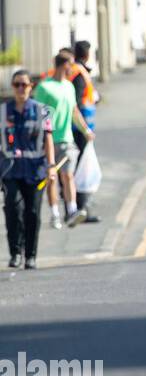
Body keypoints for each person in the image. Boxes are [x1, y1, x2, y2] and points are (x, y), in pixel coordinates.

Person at [2, 69, 55, 268]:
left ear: (31, 86)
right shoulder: (3, 111)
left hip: (35, 170)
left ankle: (31, 255)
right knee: (13, 210)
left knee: (32, 213)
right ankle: (15, 252)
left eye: (24, 84)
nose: (21, 89)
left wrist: (51, 166)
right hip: (10, 170)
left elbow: (48, 139)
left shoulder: (44, 110)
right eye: (17, 85)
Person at [34, 54, 93, 229]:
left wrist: (86, 130)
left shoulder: (69, 86)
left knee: (68, 175)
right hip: (49, 140)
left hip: (67, 139)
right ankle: (54, 214)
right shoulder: (44, 88)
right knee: (52, 178)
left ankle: (72, 210)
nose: (73, 69)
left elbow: (74, 111)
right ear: (63, 65)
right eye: (70, 65)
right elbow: (39, 114)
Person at [70, 40, 100, 222]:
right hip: (80, 128)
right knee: (81, 168)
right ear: (87, 54)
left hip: (80, 127)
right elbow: (78, 103)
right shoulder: (79, 74)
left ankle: (78, 207)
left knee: (79, 167)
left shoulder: (77, 71)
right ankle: (80, 208)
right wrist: (84, 128)